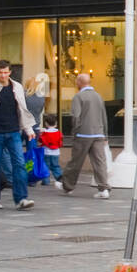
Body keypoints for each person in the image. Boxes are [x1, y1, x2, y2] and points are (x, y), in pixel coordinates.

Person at [56, 72, 110, 200]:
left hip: (83, 134)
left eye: (76, 82)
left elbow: (76, 117)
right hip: (99, 133)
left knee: (76, 161)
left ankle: (67, 186)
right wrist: (106, 135)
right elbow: (104, 117)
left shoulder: (78, 97)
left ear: (79, 82)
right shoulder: (98, 96)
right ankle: (104, 189)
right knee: (100, 162)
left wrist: (74, 133)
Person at [0, 59, 36, 210]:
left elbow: (23, 110)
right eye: (0, 72)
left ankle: (21, 199)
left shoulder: (17, 87)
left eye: (5, 72)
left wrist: (29, 130)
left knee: (19, 165)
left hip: (13, 132)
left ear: (10, 72)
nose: (3, 75)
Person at [39, 113, 63, 184]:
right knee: (56, 166)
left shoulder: (45, 133)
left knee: (45, 167)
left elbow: (41, 140)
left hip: (46, 152)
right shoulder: (59, 133)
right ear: (56, 123)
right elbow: (60, 142)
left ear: (46, 123)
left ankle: (46, 181)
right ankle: (59, 178)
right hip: (56, 153)